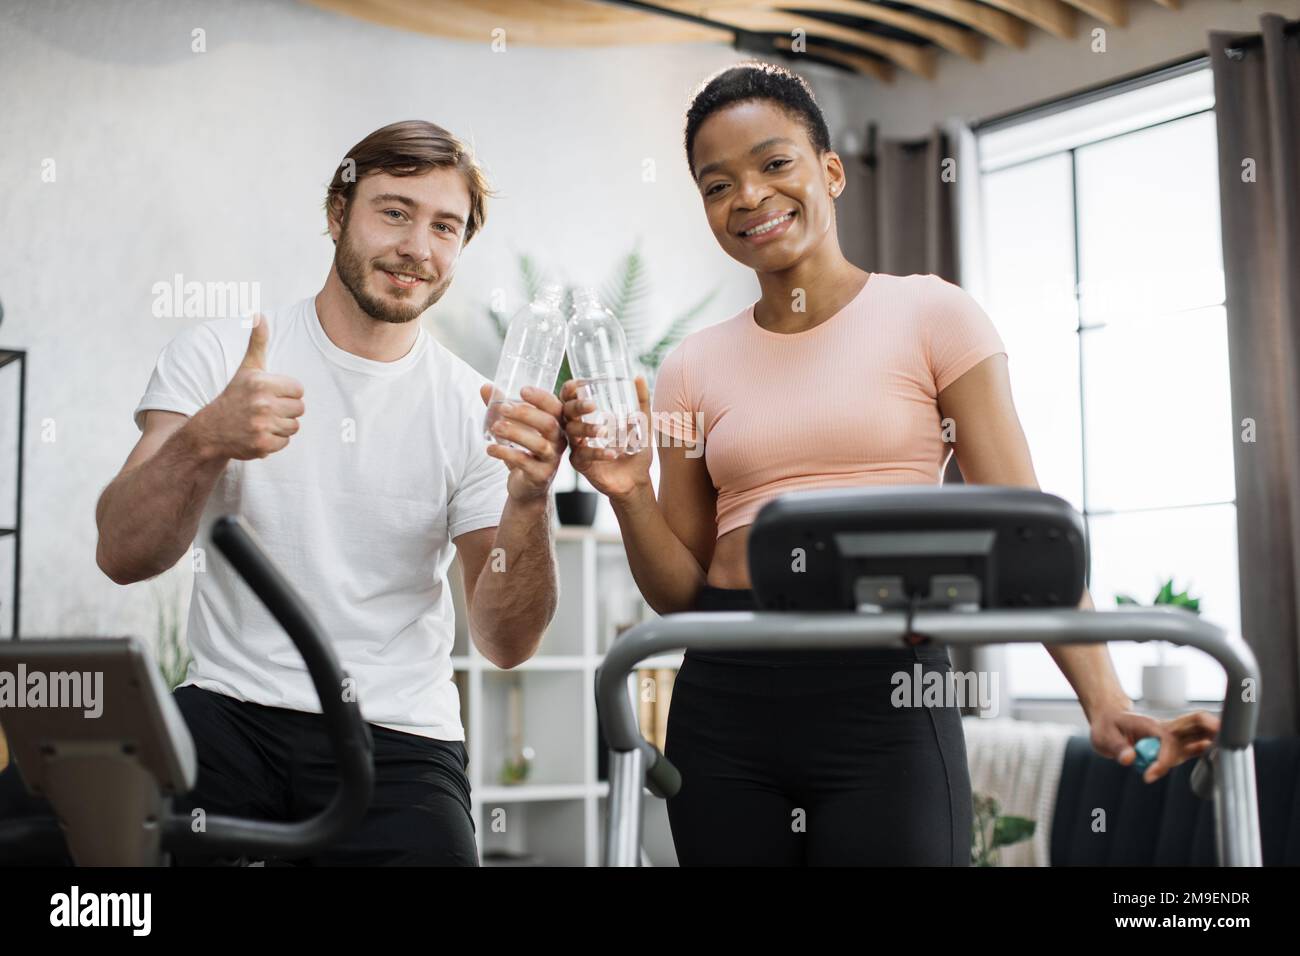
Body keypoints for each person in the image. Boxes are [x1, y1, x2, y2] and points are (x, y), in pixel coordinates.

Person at [561, 62, 1220, 866]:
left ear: (830, 172)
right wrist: (629, 493)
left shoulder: (933, 314)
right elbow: (680, 590)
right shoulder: (692, 366)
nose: (749, 197)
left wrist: (1104, 698)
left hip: (887, 689)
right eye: (717, 184)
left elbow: (1025, 529)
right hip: (727, 698)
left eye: (775, 164)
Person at [0, 120, 568, 866]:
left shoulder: (476, 408)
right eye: (394, 211)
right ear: (338, 214)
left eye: (445, 227)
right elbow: (120, 553)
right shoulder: (219, 355)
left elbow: (505, 643)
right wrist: (207, 437)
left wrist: (530, 502)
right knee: (27, 825)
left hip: (397, 740)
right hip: (230, 716)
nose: (418, 248)